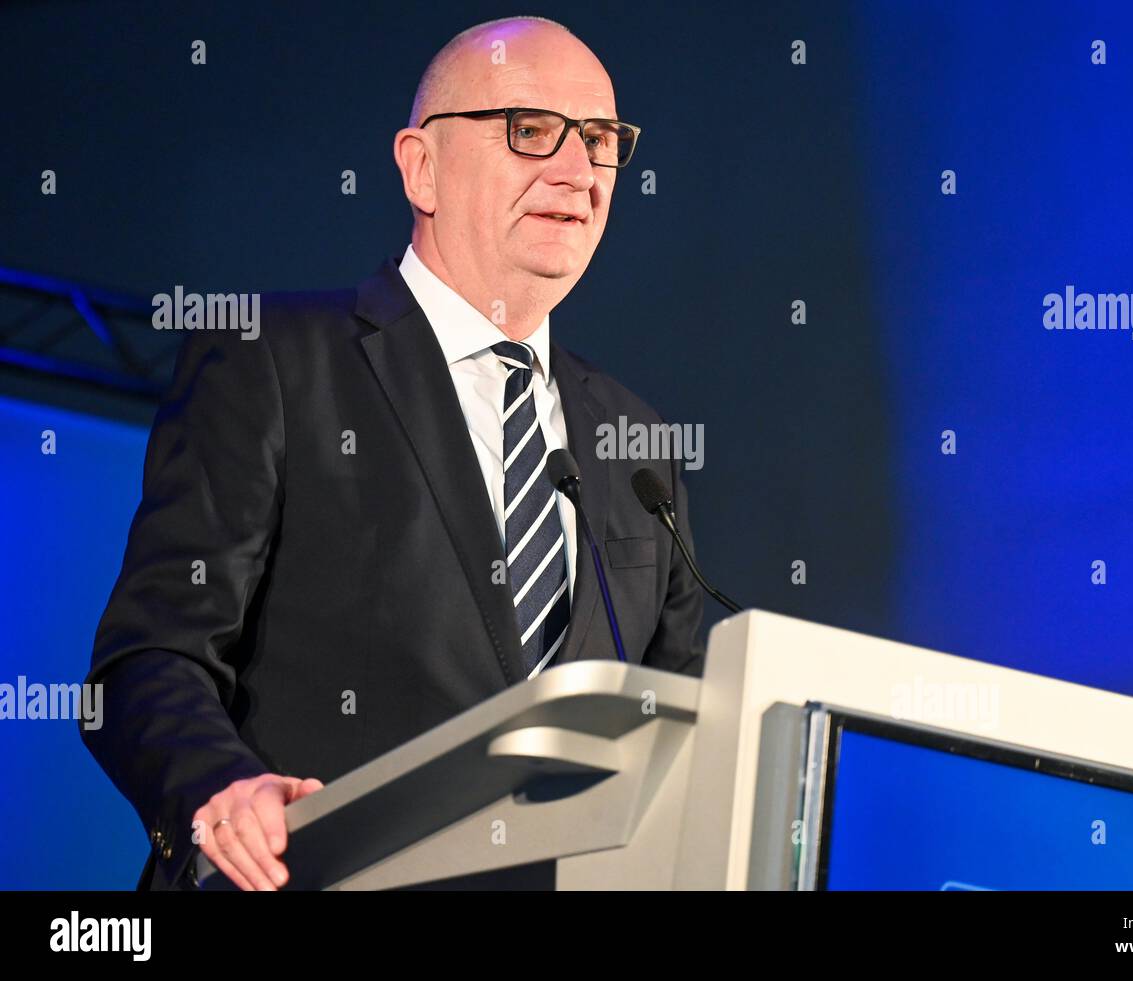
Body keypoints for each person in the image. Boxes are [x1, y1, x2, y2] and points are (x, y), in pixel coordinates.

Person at [80, 15, 705, 892]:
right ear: (422, 166)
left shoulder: (634, 444)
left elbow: (675, 733)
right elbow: (151, 659)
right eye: (531, 131)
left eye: (600, 140)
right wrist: (221, 787)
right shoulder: (274, 357)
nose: (577, 170)